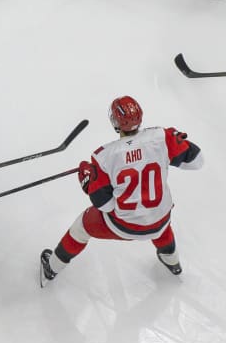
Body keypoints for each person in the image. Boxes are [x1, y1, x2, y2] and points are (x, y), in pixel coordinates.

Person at [39, 96, 203, 286]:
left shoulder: (104, 156)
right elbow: (197, 162)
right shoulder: (162, 137)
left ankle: (51, 268)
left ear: (115, 122)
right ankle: (173, 264)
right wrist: (178, 142)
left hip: (125, 226)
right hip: (161, 218)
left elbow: (105, 205)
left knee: (81, 227)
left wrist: (87, 179)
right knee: (159, 225)